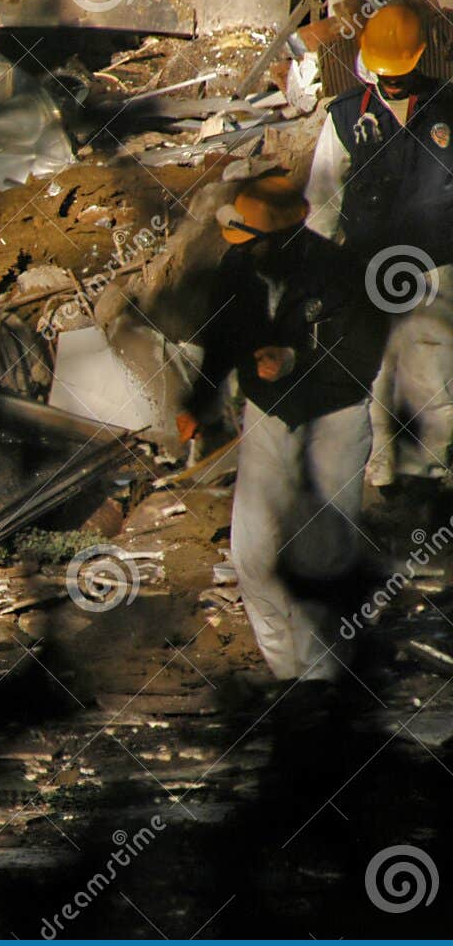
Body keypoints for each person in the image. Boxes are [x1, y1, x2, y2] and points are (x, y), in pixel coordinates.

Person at [176, 176, 387, 688]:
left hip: (333, 420)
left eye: (255, 243)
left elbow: (361, 362)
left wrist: (296, 359)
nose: (246, 253)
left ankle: (323, 686)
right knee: (254, 555)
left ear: (288, 237)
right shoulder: (238, 267)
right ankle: (287, 679)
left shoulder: (341, 275)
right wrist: (199, 403)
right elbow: (221, 337)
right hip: (269, 417)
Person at [305, 0, 453, 264]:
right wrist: (316, 266)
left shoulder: (446, 102)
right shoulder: (347, 115)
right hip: (370, 266)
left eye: (400, 71)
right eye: (387, 74)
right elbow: (323, 199)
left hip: (441, 266)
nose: (393, 81)